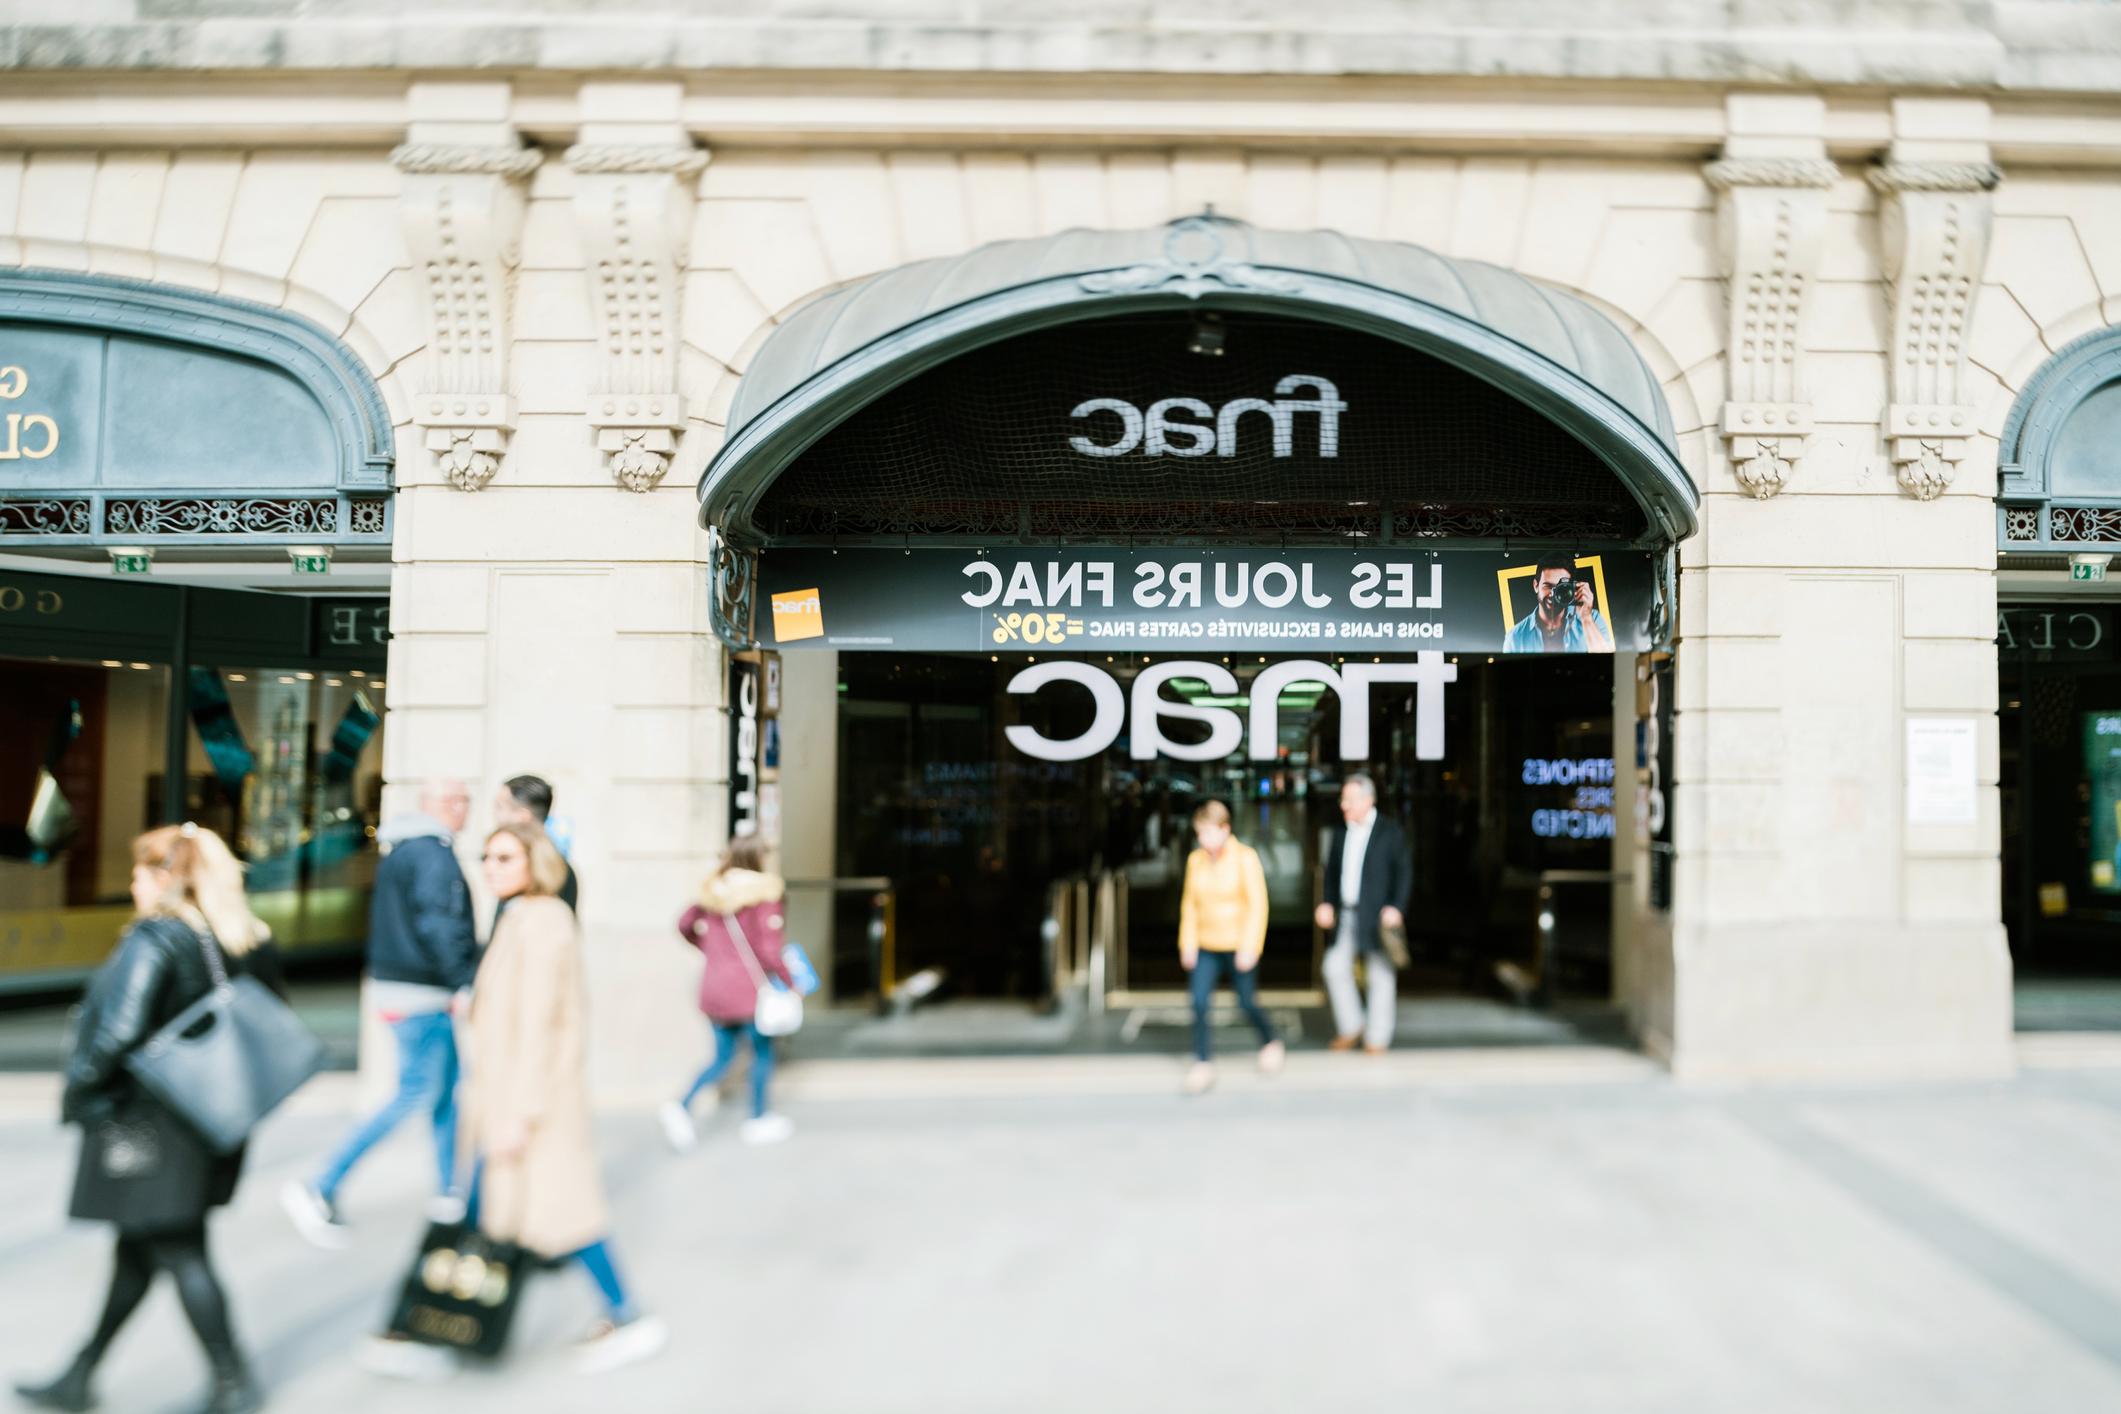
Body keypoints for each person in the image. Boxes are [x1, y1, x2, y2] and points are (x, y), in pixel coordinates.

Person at [15, 824, 279, 1414]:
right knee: (138, 1252)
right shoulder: (233, 935)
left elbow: (118, 1031)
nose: (132, 883)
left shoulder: (156, 937)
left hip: (148, 1125)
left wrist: (80, 1090)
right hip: (205, 1119)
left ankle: (233, 1382)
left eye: (138, 872)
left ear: (165, 878)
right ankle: (80, 1373)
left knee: (181, 1249)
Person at [455, 822, 665, 1373]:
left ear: (534, 863)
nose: (490, 867)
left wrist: (517, 1116)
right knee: (507, 1216)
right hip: (508, 1098)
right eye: (487, 857)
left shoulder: (543, 922)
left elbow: (543, 1027)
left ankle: (625, 1313)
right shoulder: (521, 916)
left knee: (563, 1216)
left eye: (504, 858)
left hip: (533, 1102)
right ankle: (466, 1327)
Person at [283, 779, 477, 1249]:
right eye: (466, 803)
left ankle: (451, 1191)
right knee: (416, 1092)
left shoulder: (402, 850)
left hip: (403, 986)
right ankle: (319, 1185)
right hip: (422, 992)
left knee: (445, 1090)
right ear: (450, 806)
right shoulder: (432, 853)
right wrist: (462, 981)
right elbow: (438, 923)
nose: (468, 813)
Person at [660, 835, 796, 1150]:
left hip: (714, 987)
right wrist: (791, 982)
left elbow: (683, 924)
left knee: (722, 1056)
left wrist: (707, 947)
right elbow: (769, 950)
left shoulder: (713, 891)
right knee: (762, 1053)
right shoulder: (764, 894)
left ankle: (681, 1106)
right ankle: (759, 1119)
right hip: (748, 990)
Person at [1176, 800, 1282, 1095]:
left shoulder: (1245, 858)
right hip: (1206, 945)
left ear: (1225, 829)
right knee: (1198, 1003)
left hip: (1238, 945)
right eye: (1200, 833)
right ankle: (1202, 1062)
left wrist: (1250, 947)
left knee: (1246, 1002)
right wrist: (1187, 943)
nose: (1203, 839)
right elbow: (1189, 905)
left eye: (1208, 832)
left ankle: (1270, 1041)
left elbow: (1257, 906)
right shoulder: (1195, 860)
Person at [1313, 773, 1413, 1055]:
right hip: (1346, 912)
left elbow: (1403, 873)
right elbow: (1331, 873)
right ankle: (1351, 1025)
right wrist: (1326, 903)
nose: (1344, 805)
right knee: (1333, 967)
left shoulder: (1390, 832)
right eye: (1343, 799)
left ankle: (1377, 1037)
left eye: (1350, 800)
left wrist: (1397, 907)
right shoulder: (1340, 832)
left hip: (1378, 916)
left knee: (1380, 975)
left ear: (1368, 801)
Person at [493, 774, 579, 912]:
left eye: (500, 807)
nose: (496, 816)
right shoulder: (544, 865)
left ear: (522, 817)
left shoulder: (549, 870)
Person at [1505, 557, 1615, 654]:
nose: (1553, 593)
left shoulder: (1593, 619)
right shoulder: (1515, 637)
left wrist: (1586, 618)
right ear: (1536, 585)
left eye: (1560, 588)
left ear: (1571, 588)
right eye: (1548, 586)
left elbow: (1606, 660)